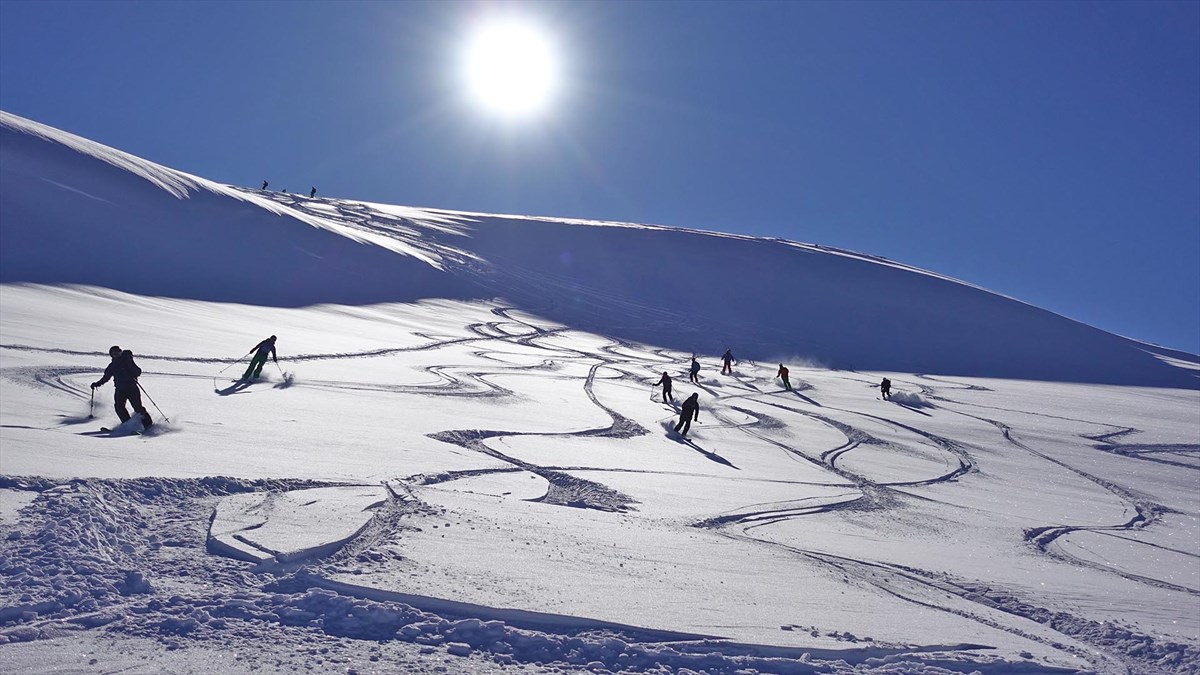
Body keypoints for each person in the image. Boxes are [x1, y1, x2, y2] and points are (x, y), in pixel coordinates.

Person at [91, 346, 153, 428]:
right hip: (120, 389)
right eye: (113, 354)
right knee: (119, 407)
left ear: (120, 352)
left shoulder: (127, 361)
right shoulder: (112, 366)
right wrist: (97, 384)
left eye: (117, 353)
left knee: (138, 407)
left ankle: (148, 425)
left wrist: (129, 363)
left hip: (132, 388)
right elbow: (106, 377)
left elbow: (138, 372)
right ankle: (128, 424)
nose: (115, 355)